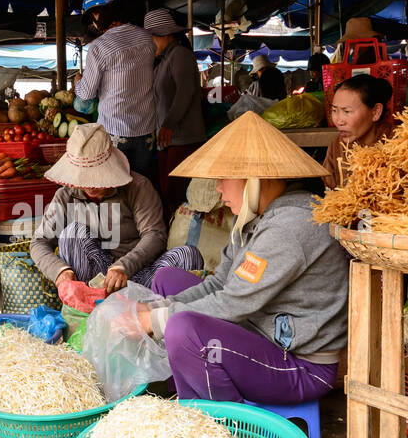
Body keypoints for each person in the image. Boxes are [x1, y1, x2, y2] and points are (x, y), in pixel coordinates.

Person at [124, 112, 347, 405]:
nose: (218, 188)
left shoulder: (288, 227)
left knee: (181, 329)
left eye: (223, 178)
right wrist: (159, 307)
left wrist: (155, 319)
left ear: (254, 180)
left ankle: (220, 424)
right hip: (259, 332)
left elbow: (233, 302)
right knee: (168, 280)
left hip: (299, 366)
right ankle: (187, 386)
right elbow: (219, 284)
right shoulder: (255, 219)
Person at [30, 123, 202, 299]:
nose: (90, 185)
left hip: (139, 274)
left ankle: (156, 315)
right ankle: (91, 309)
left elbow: (155, 234)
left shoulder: (138, 187)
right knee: (71, 234)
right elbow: (38, 242)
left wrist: (123, 266)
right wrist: (60, 272)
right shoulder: (65, 196)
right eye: (84, 178)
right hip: (95, 281)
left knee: (188, 255)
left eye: (96, 176)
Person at [72, 0, 158, 183]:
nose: (93, 24)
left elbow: (86, 94)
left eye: (93, 17)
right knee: (142, 187)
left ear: (99, 13)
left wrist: (78, 82)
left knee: (114, 189)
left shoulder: (99, 46)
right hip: (146, 132)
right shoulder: (146, 39)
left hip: (115, 133)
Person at [144, 8, 206, 213]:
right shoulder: (162, 62)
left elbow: (185, 91)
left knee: (176, 194)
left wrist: (169, 124)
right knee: (167, 193)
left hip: (184, 139)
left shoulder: (180, 55)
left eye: (151, 37)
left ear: (165, 35)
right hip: (168, 141)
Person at [322, 75, 397, 191]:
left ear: (375, 112)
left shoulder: (398, 143)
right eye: (334, 110)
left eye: (347, 111)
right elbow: (330, 192)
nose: (339, 121)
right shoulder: (337, 146)